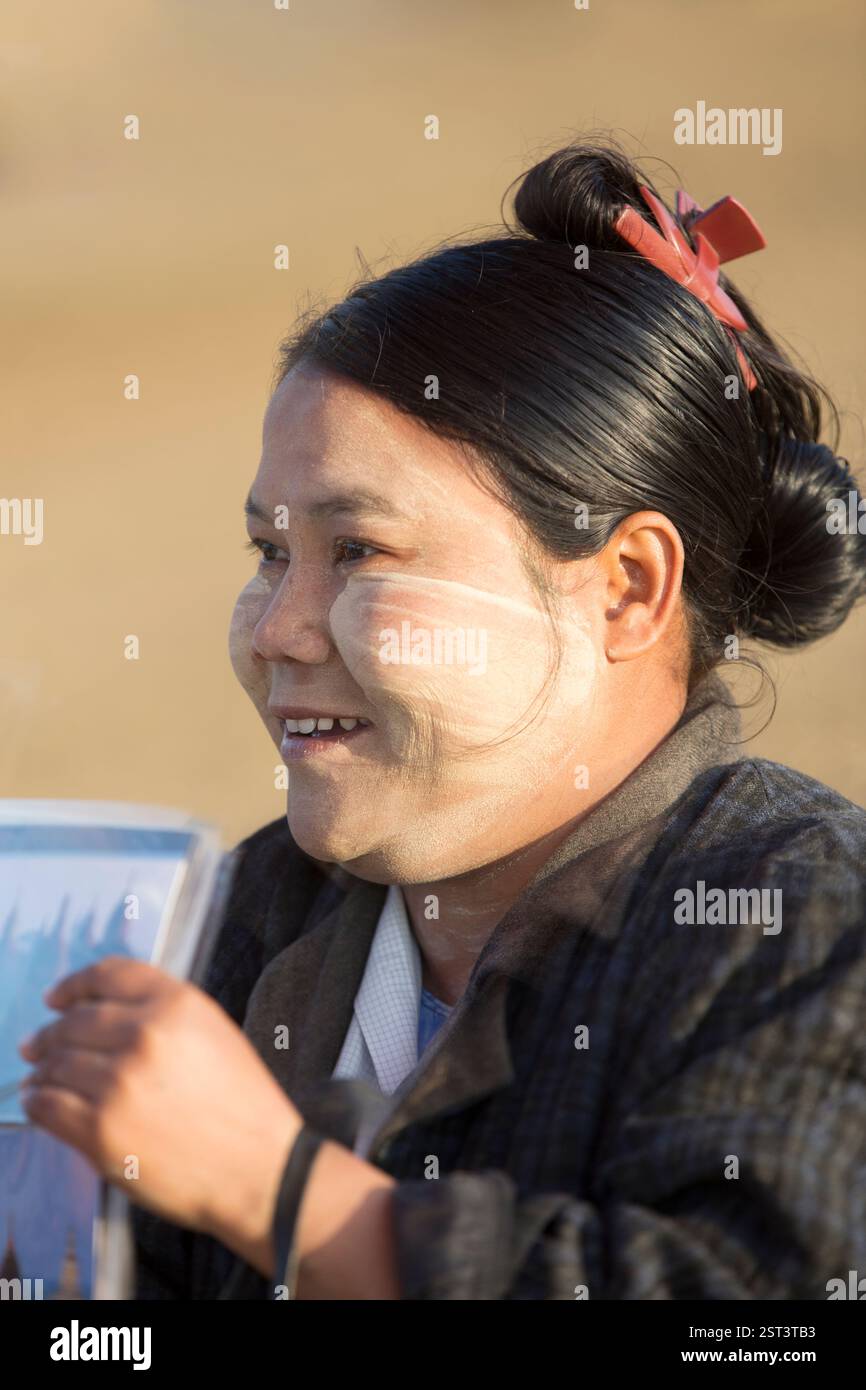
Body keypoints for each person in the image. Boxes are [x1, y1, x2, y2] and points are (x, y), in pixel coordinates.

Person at [18, 140, 866, 1300]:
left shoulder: (795, 914)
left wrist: (276, 1192)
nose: (278, 629)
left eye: (358, 549)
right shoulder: (245, 924)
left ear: (625, 588)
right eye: (270, 553)